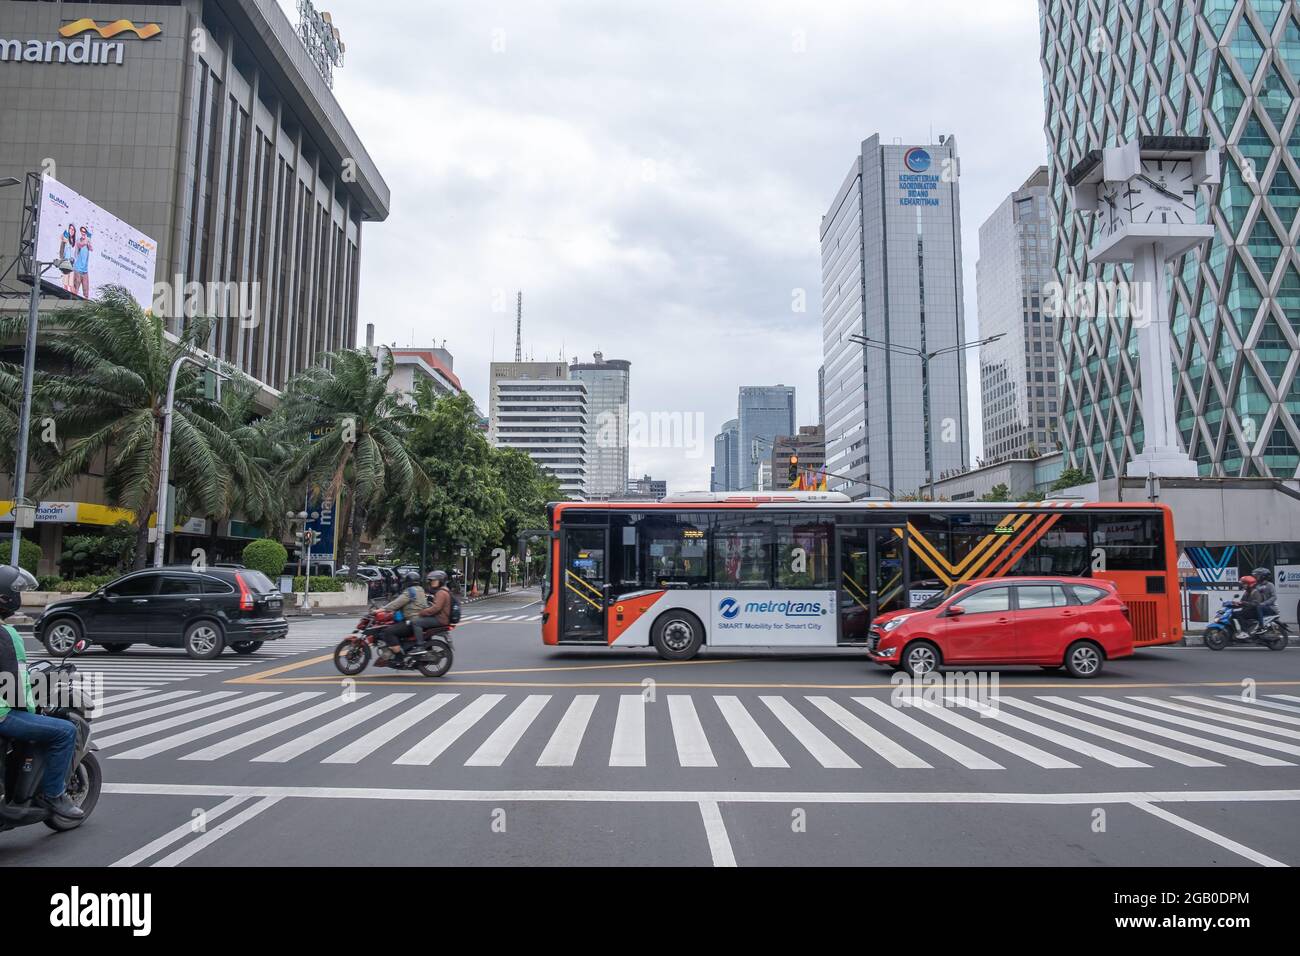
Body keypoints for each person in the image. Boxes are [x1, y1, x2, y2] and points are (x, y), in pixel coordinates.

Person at [0, 566, 84, 822]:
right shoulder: (7, 634)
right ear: (6, 597)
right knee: (65, 731)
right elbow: (13, 686)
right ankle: (53, 794)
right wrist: (33, 711)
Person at [375, 571, 429, 663]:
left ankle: (399, 657)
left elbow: (397, 603)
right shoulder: (420, 589)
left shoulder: (410, 591)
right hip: (419, 619)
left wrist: (381, 610)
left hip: (412, 621)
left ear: (408, 582)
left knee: (389, 631)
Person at [409, 570, 453, 645]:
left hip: (440, 619)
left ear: (440, 581)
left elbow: (436, 608)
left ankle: (420, 645)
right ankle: (428, 645)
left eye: (434, 580)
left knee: (416, 622)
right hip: (442, 618)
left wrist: (423, 612)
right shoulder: (444, 590)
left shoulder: (441, 592)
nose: (431, 582)